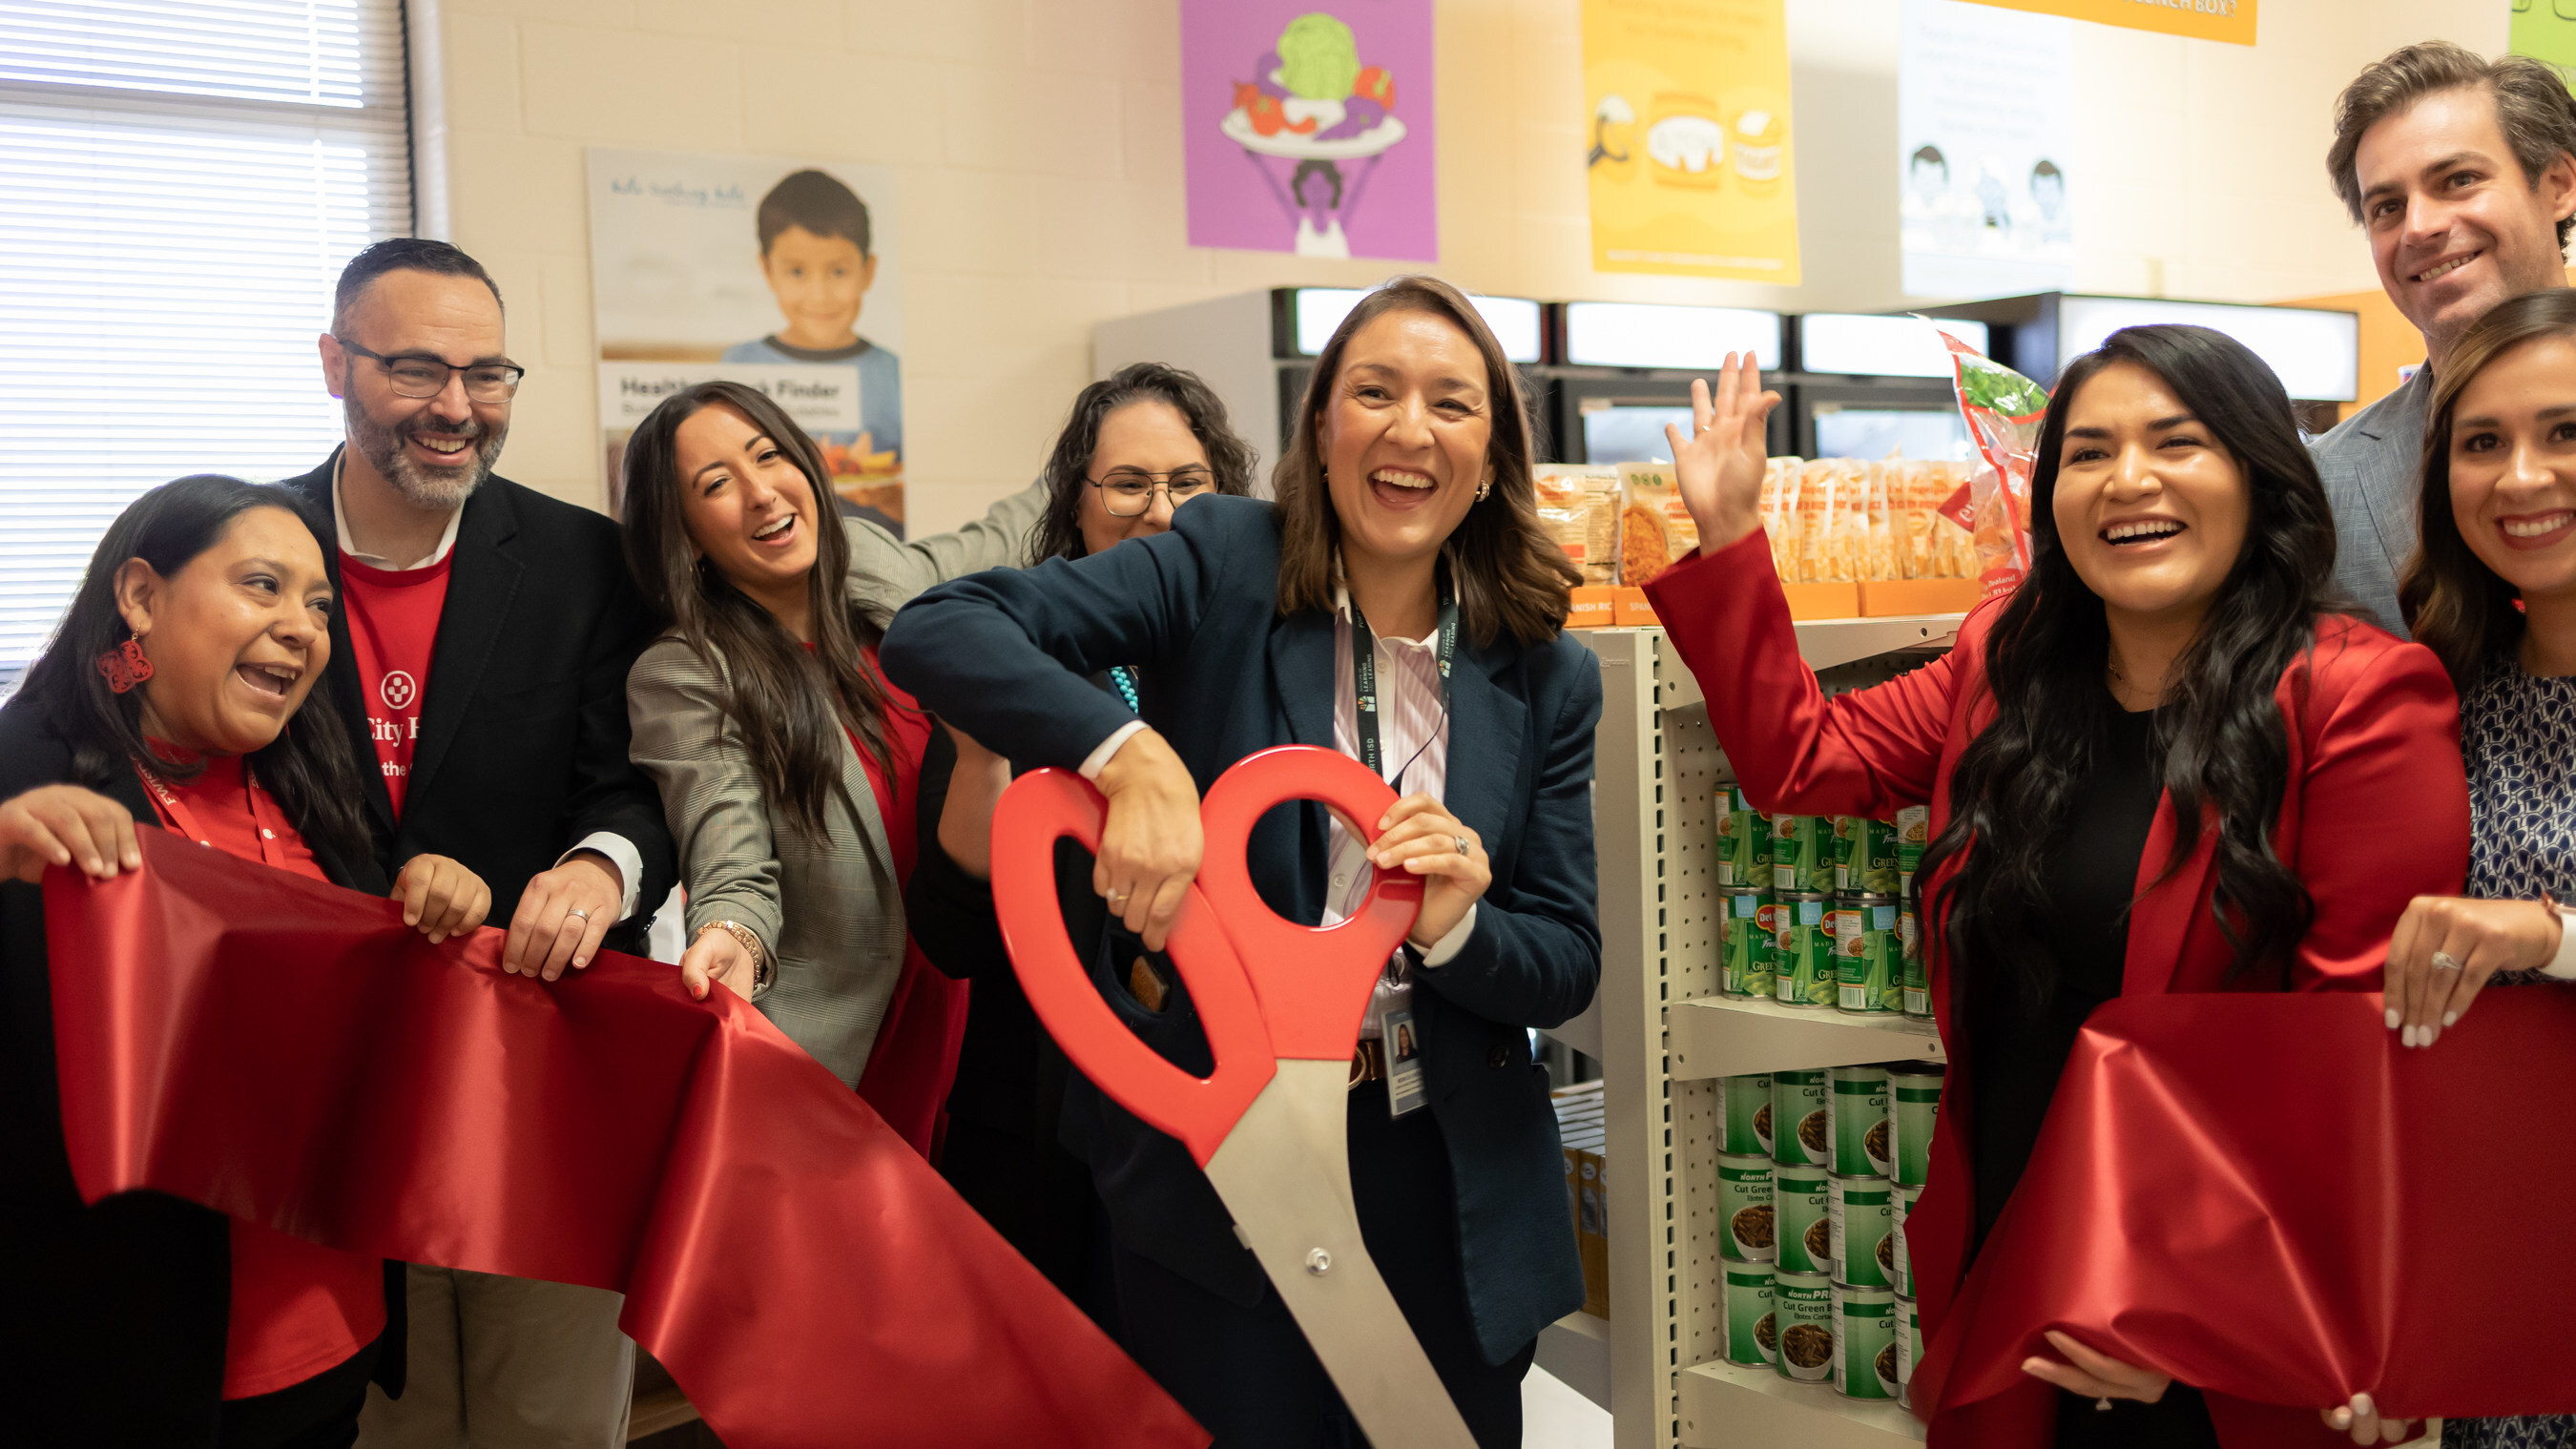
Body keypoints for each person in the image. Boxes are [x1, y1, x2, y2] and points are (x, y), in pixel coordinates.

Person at [1643, 329, 2468, 1448]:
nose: (2128, 479)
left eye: (2177, 442)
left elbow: (2362, 1060)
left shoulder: (2356, 697)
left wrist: (2191, 1305)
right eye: (2089, 452)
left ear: (2261, 475)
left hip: (2220, 1317)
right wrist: (1735, 534)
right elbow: (1801, 762)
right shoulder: (2008, 665)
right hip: (2012, 1256)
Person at [291, 238, 1042, 1449]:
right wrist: (732, 928)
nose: (454, 404)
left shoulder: (843, 579)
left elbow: (623, 796)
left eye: (485, 373)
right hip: (344, 1078)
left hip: (765, 1048)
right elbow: (717, 825)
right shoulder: (260, 546)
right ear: (335, 363)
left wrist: (599, 865)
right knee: (388, 1412)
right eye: (415, 367)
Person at [883, 276, 1603, 1449]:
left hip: (1447, 1171)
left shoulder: (1542, 670)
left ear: (1491, 453)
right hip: (1227, 1159)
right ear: (1322, 428)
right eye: (1373, 391)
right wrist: (1126, 756)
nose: (1409, 428)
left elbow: (1566, 959)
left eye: (1451, 404)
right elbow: (940, 626)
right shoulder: (1220, 560)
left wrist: (1462, 923)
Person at [0, 476, 490, 1447]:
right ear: (141, 595)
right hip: (130, 1362)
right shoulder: (24, 766)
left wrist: (431, 894)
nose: (303, 628)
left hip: (331, 1337)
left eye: (316, 605)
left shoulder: (313, 774)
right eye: (262, 586)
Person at [902, 361, 1257, 1332]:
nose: (1159, 510)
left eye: (1188, 483)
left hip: (1239, 1098)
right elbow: (953, 936)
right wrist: (982, 765)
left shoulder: (1262, 650)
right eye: (1128, 484)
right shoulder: (1011, 659)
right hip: (1049, 1124)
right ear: (1078, 504)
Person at [621, 380, 972, 1150]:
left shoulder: (875, 571)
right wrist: (730, 936)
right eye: (716, 485)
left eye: (768, 456)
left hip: (973, 1014)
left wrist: (1122, 464)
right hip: (852, 1038)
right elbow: (731, 853)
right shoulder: (687, 671)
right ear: (684, 533)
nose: (760, 493)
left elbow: (991, 543)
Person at [2372, 289, 2576, 1449]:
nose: (2522, 479)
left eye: (2567, 433)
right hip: (2511, 1283)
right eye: (2482, 442)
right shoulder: (2446, 687)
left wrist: (2549, 933)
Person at [2316, 41, 2576, 636]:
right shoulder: (2322, 488)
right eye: (2386, 206)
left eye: (2458, 180)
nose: (2421, 226)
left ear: (2558, 184)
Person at [720, 168, 904, 529]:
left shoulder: (893, 374)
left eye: (838, 272)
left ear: (868, 271)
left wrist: (890, 497)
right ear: (767, 269)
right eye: (797, 272)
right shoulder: (737, 365)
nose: (819, 295)